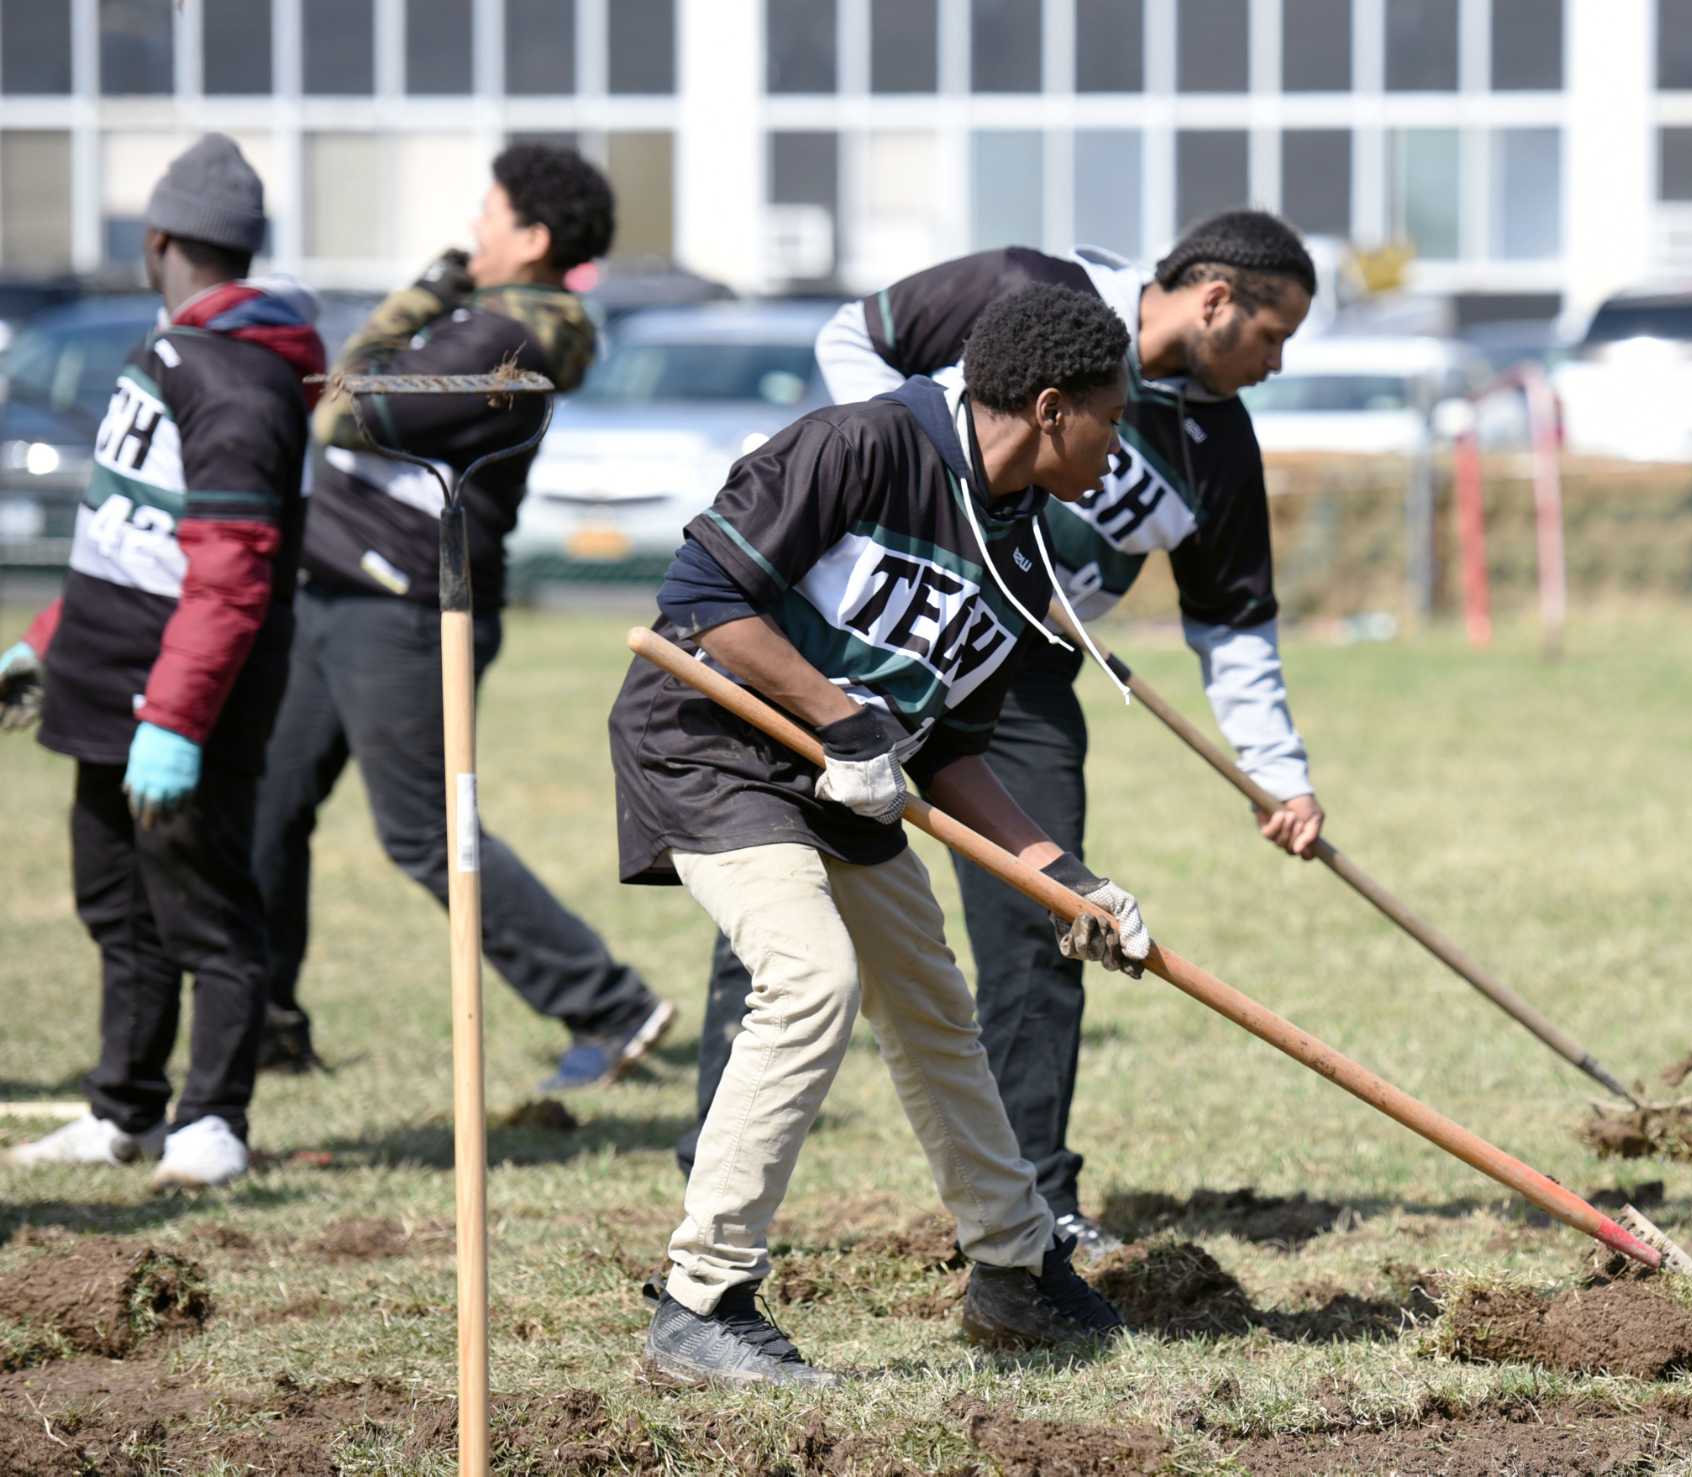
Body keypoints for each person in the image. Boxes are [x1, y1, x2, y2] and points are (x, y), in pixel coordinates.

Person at [679, 211, 1325, 1255]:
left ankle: (1034, 1200)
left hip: (1018, 670)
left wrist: (1277, 775)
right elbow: (852, 335)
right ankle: (716, 1166)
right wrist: (934, 495)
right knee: (789, 889)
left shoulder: (1216, 445)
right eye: (1271, 334)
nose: (1276, 360)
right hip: (868, 628)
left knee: (1046, 910)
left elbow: (1233, 626)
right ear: (1215, 300)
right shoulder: (1026, 284)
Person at [615, 283, 1145, 1386]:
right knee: (810, 979)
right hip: (715, 743)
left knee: (932, 1004)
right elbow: (705, 593)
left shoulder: (1024, 550)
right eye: (1112, 414)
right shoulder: (864, 443)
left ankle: (1011, 1271)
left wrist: (1065, 880)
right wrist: (846, 720)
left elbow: (949, 753)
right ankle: (700, 1300)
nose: (1120, 441)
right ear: (1051, 409)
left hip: (848, 776)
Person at [250, 143, 672, 1088]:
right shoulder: (481, 318)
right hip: (338, 588)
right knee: (269, 804)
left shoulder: (508, 337)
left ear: (532, 237)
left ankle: (612, 1004)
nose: (470, 228)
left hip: (402, 607)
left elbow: (346, 409)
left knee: (429, 832)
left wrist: (420, 294)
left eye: (489, 212)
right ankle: (264, 1019)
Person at [0, 135, 326, 1188]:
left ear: (158, 239)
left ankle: (211, 1122)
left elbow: (230, 576)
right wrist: (46, 645)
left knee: (206, 908)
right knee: (115, 905)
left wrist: (176, 720)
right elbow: (122, 534)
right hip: (106, 680)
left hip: (182, 700)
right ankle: (123, 1110)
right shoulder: (171, 349)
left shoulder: (240, 383)